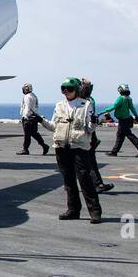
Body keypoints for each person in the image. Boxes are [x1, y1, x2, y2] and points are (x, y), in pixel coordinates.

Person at [39, 77, 102, 223]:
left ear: (77, 90)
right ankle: (73, 210)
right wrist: (41, 121)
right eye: (63, 88)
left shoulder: (85, 105)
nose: (66, 91)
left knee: (85, 180)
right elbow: (54, 126)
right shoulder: (59, 105)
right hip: (61, 147)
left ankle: (95, 211)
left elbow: (89, 129)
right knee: (68, 181)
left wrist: (93, 122)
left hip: (79, 147)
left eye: (69, 88)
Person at [81, 78, 113, 193]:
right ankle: (95, 184)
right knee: (85, 162)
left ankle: (97, 184)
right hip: (83, 136)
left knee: (89, 161)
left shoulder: (87, 101)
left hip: (88, 134)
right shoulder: (83, 101)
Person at [102, 84, 138, 157]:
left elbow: (114, 106)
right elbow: (132, 108)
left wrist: (103, 111)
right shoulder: (129, 98)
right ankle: (114, 151)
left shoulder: (120, 98)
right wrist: (136, 116)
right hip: (126, 119)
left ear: (121, 90)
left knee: (130, 135)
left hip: (123, 120)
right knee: (120, 136)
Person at [17, 83, 49, 155]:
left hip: (28, 118)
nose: (23, 89)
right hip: (34, 117)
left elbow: (27, 108)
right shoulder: (34, 96)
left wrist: (26, 116)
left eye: (24, 88)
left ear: (27, 89)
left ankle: (25, 149)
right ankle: (44, 145)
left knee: (27, 134)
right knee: (34, 133)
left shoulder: (27, 97)